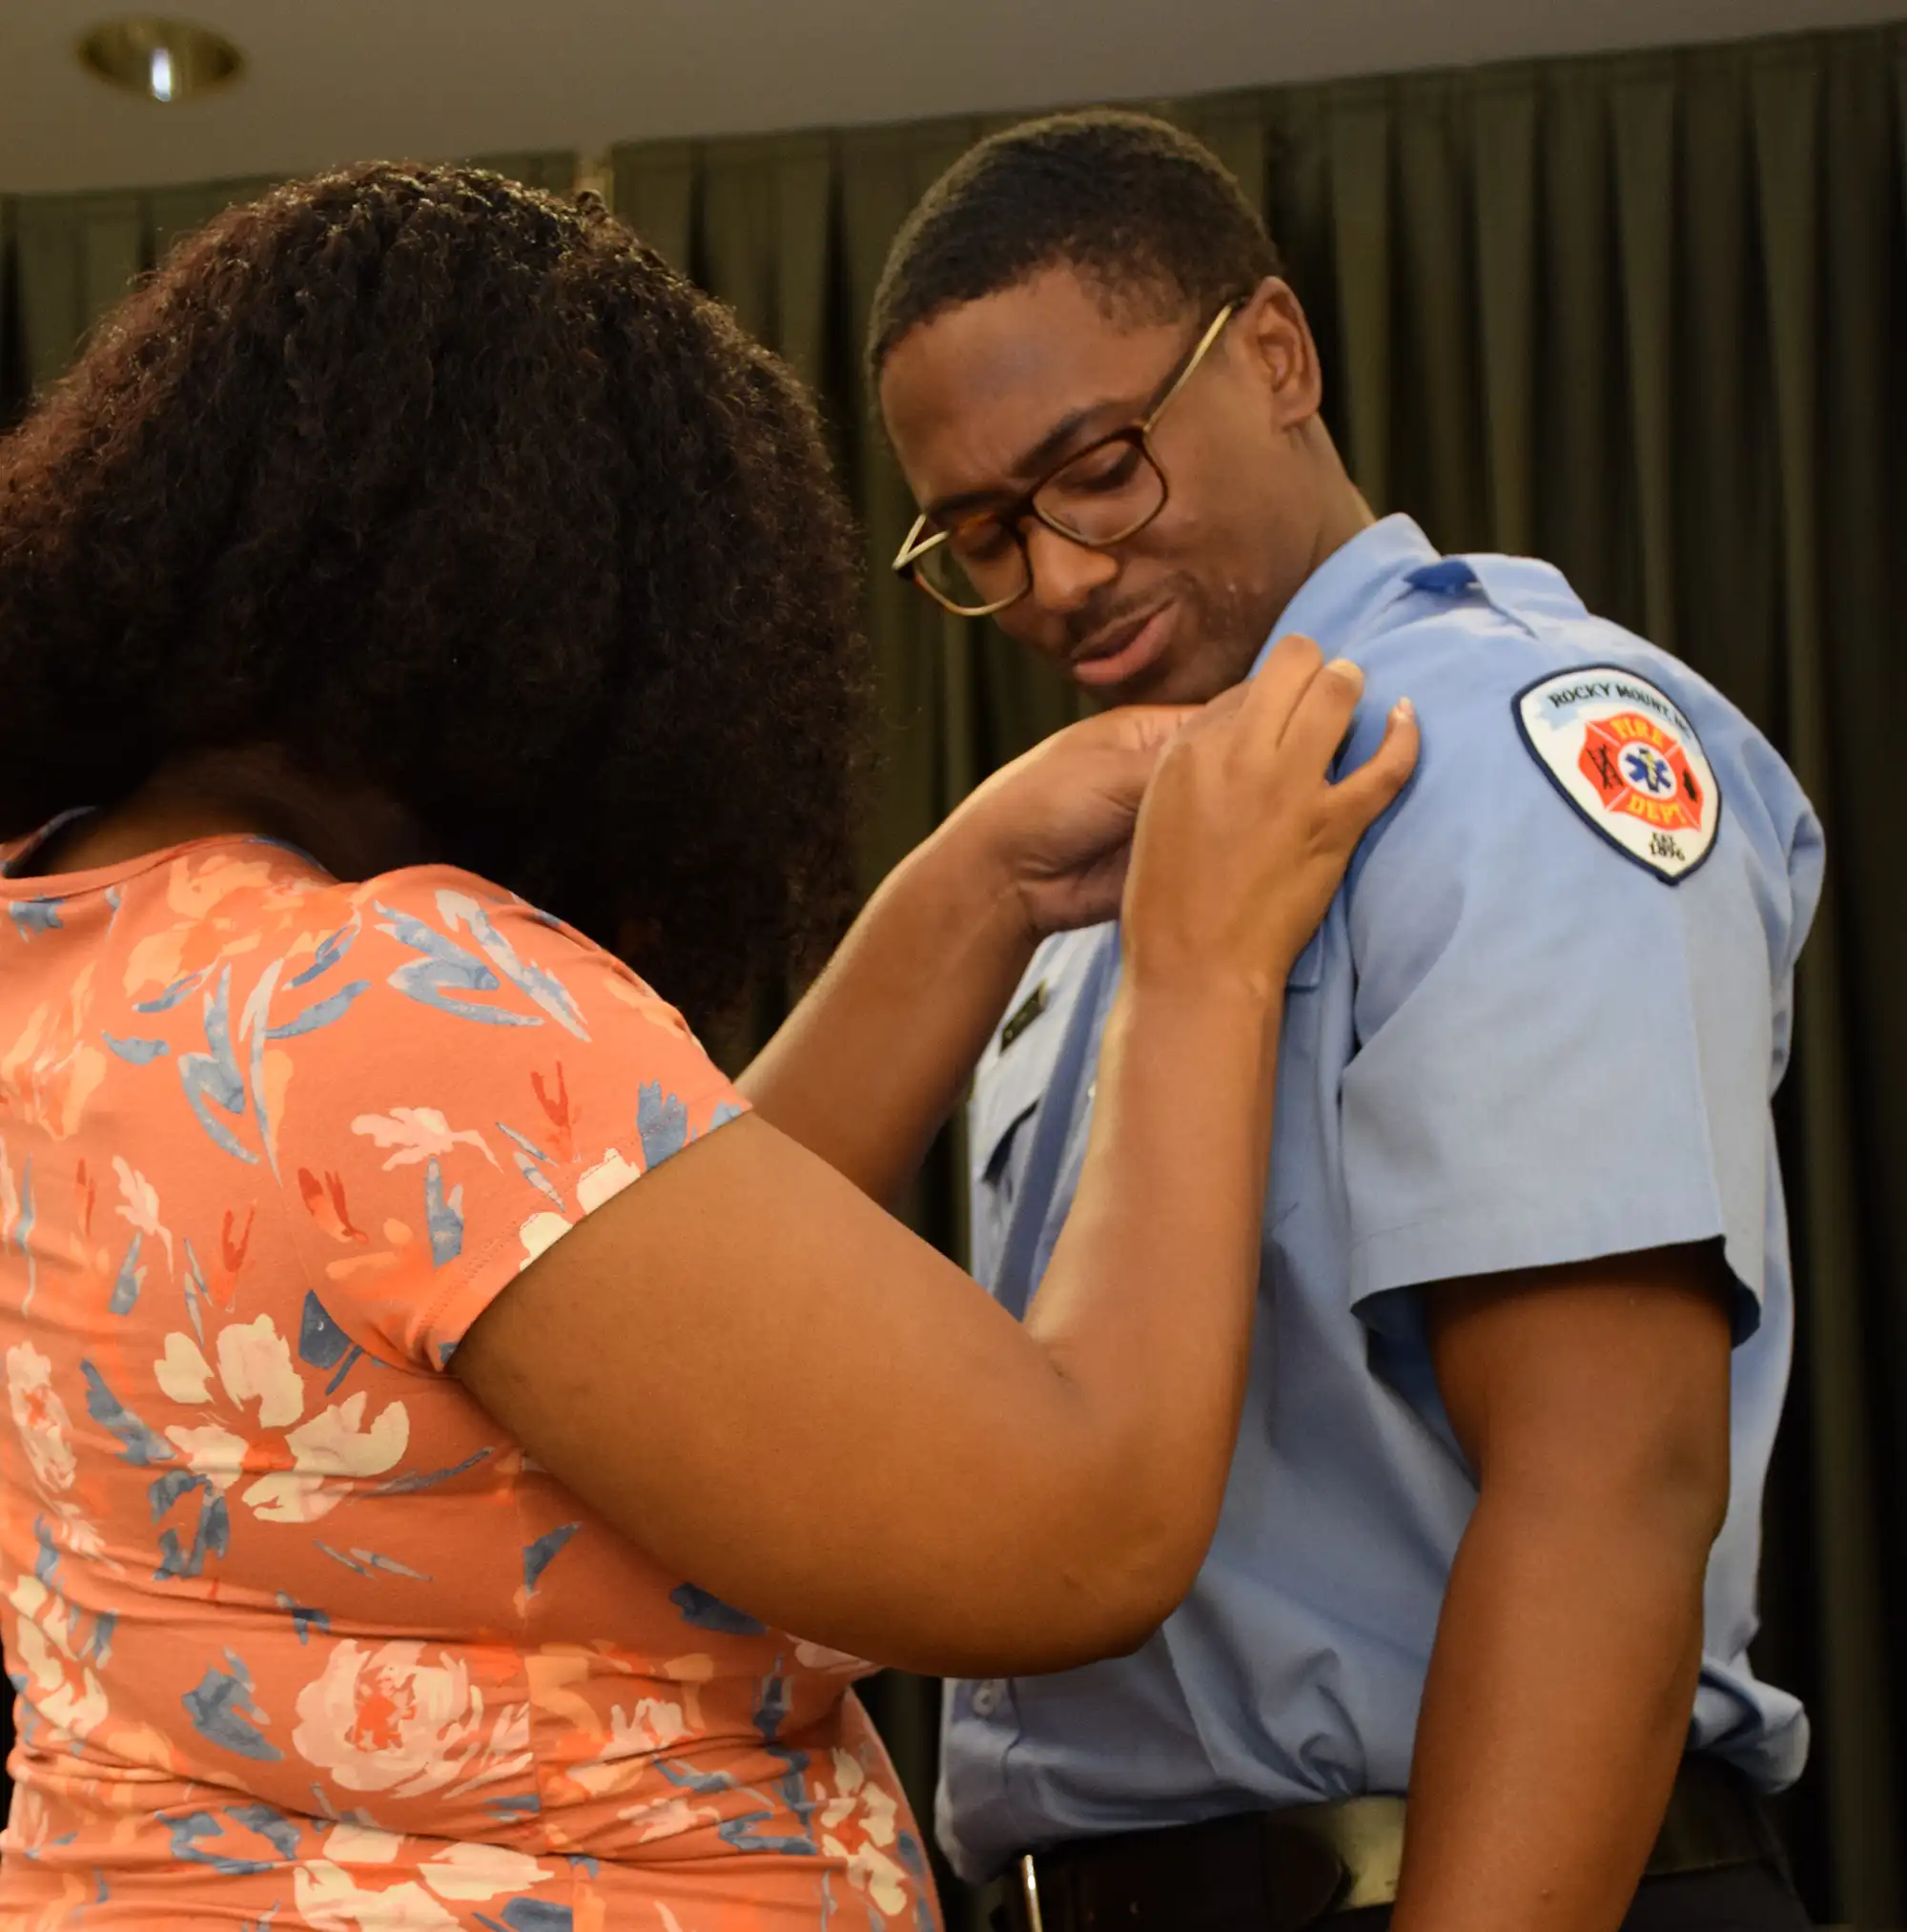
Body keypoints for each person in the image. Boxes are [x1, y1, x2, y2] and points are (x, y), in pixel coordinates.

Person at [0, 162, 1415, 1930]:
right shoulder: (388, 990)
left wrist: (966, 891)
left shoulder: (69, 957)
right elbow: (1085, 1524)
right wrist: (1204, 961)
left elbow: (614, 1301)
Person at [871, 111, 1824, 1932]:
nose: (1057, 579)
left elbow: (1609, 1492)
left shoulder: (1487, 751)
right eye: (984, 534)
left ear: (1280, 356)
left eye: (1099, 469)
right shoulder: (1098, 851)